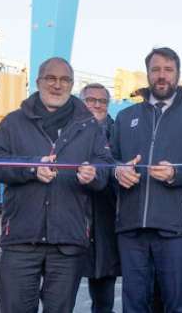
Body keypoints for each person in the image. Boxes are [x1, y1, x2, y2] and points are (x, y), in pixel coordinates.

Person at [0, 57, 114, 313]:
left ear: (72, 84)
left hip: (67, 241)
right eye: (50, 79)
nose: (57, 85)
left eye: (64, 80)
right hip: (21, 238)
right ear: (38, 82)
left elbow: (105, 166)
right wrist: (31, 168)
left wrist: (94, 175)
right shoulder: (14, 122)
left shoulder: (89, 127)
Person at [112, 47, 182, 313]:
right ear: (147, 74)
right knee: (133, 305)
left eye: (168, 70)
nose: (162, 76)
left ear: (178, 75)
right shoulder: (126, 117)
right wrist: (118, 171)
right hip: (132, 228)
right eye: (156, 69)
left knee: (178, 306)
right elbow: (107, 161)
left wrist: (176, 173)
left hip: (177, 231)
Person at [81, 82, 120, 313]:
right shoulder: (67, 131)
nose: (97, 105)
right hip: (74, 220)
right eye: (91, 100)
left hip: (106, 221)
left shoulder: (118, 132)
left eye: (102, 101)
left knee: (104, 297)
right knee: (59, 293)